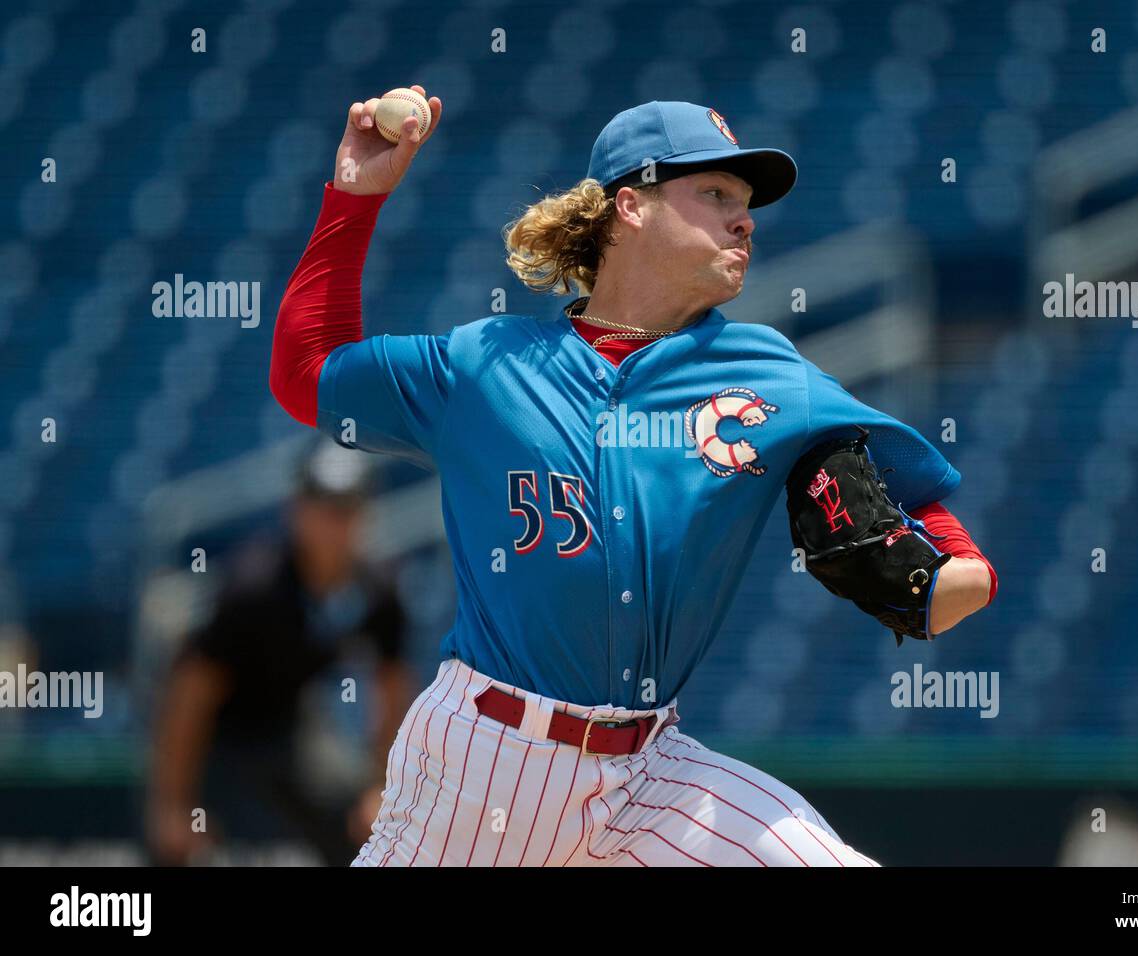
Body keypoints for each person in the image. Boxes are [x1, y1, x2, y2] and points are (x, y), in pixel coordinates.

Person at [270, 92, 997, 866]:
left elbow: (912, 491)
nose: (743, 219)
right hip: (479, 768)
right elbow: (306, 372)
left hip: (648, 777)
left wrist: (964, 569)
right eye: (715, 194)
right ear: (631, 207)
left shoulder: (771, 376)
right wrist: (356, 196)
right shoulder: (487, 363)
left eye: (745, 203)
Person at [146, 440, 413, 865]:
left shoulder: (378, 591)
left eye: (347, 508)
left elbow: (392, 691)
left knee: (361, 835)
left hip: (299, 737)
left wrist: (381, 790)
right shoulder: (253, 587)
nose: (335, 523)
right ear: (297, 510)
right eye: (324, 507)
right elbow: (190, 697)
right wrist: (173, 808)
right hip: (223, 744)